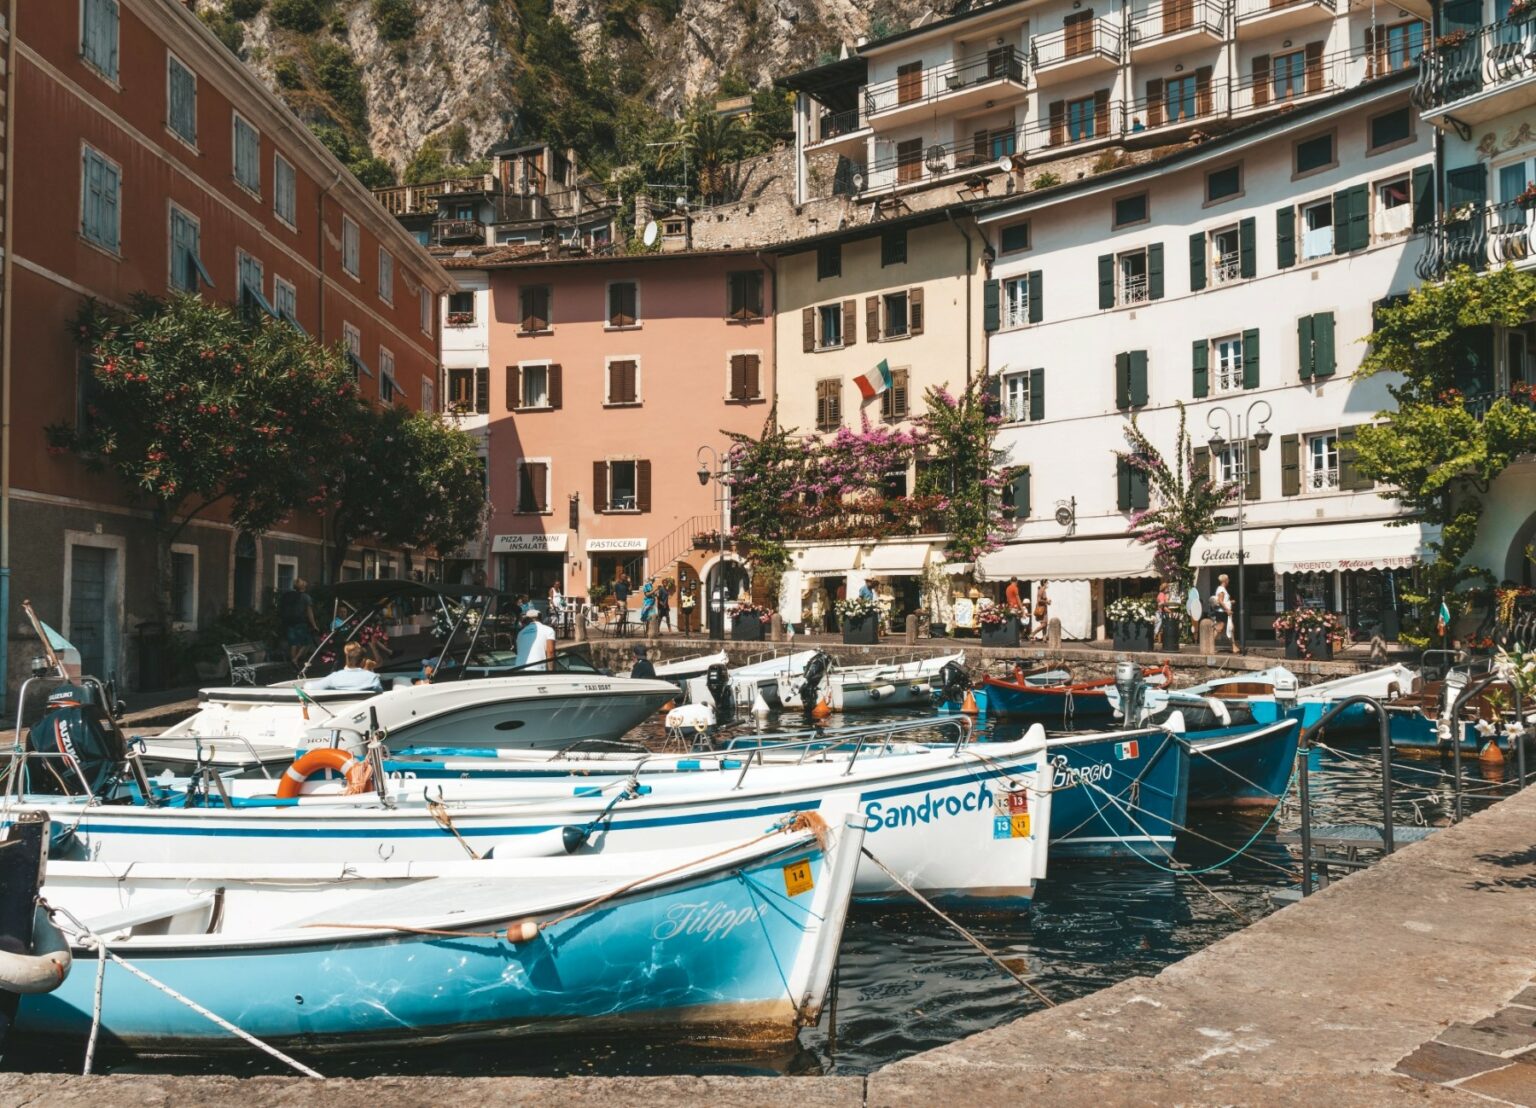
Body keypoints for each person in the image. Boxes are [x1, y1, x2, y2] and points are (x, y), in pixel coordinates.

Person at [306, 642, 383, 693]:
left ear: (347, 655)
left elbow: (309, 687)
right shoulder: (372, 677)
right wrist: (373, 647)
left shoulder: (335, 677)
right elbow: (379, 693)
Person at [279, 578, 320, 667]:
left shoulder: (288, 596)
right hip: (301, 622)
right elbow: (310, 613)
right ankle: (295, 659)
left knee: (294, 642)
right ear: (303, 586)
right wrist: (314, 625)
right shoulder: (306, 597)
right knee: (307, 642)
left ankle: (293, 663)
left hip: (289, 622)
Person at [1214, 573, 1238, 653]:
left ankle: (1234, 647)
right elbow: (1220, 601)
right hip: (1223, 612)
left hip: (1223, 612)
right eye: (1228, 579)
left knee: (1231, 628)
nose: (1229, 581)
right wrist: (1227, 610)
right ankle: (1210, 644)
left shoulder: (1221, 589)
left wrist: (1230, 601)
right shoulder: (1222, 590)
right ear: (1225, 580)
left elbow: (1223, 601)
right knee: (1219, 629)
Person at [613, 570, 631, 636]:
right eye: (623, 576)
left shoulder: (625, 584)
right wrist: (616, 601)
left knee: (624, 617)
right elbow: (614, 593)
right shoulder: (617, 584)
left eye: (625, 577)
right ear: (620, 577)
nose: (624, 577)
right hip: (619, 601)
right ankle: (618, 630)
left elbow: (629, 590)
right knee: (622, 616)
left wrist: (630, 582)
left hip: (625, 601)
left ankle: (620, 631)